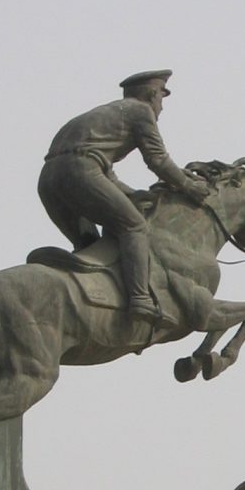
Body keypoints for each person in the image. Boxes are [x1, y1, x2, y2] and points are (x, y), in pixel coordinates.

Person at [37, 69, 210, 318]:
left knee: (89, 246)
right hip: (80, 173)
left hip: (50, 178)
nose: (161, 107)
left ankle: (91, 297)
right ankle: (139, 298)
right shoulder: (141, 111)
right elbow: (157, 160)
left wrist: (133, 194)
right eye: (161, 99)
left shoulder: (102, 115)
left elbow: (102, 168)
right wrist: (189, 186)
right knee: (134, 227)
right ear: (151, 95)